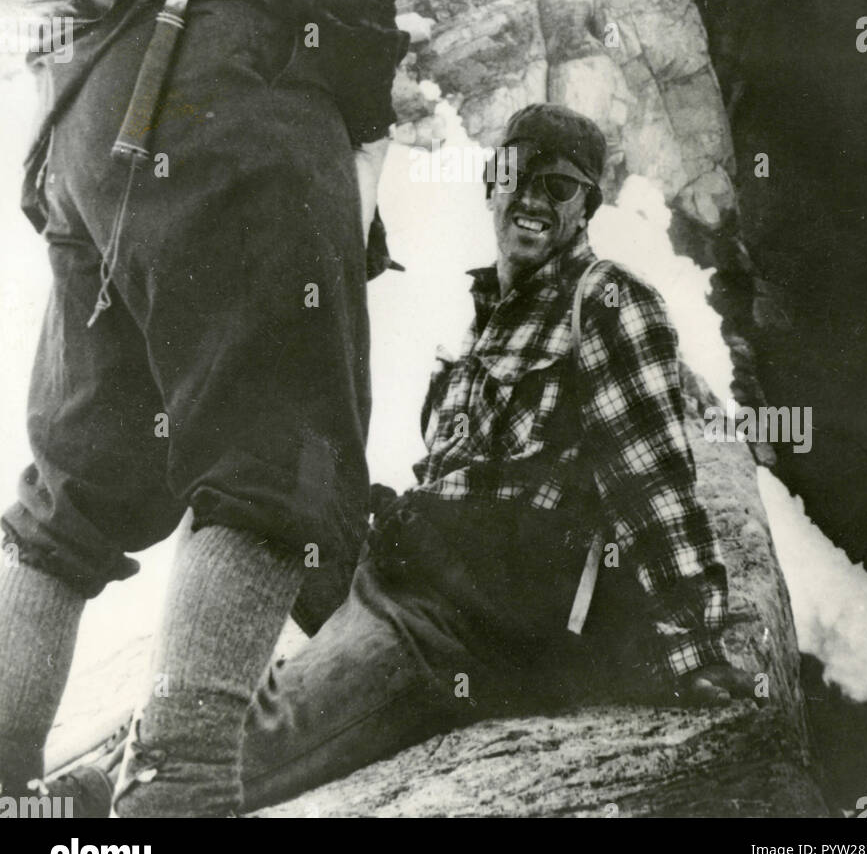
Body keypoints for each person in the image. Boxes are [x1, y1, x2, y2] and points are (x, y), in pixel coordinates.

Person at [0, 0, 480, 819]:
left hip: (95, 136)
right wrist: (345, 154)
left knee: (79, 487)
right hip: (214, 103)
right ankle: (183, 791)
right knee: (280, 438)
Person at [53, 103, 753, 817]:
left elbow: (652, 484)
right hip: (402, 572)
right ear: (491, 181)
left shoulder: (607, 302)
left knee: (261, 732)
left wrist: (694, 647)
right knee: (256, 505)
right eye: (517, 174)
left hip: (461, 623)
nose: (534, 198)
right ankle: (92, 775)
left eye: (560, 186)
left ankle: (84, 805)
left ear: (586, 208)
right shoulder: (486, 312)